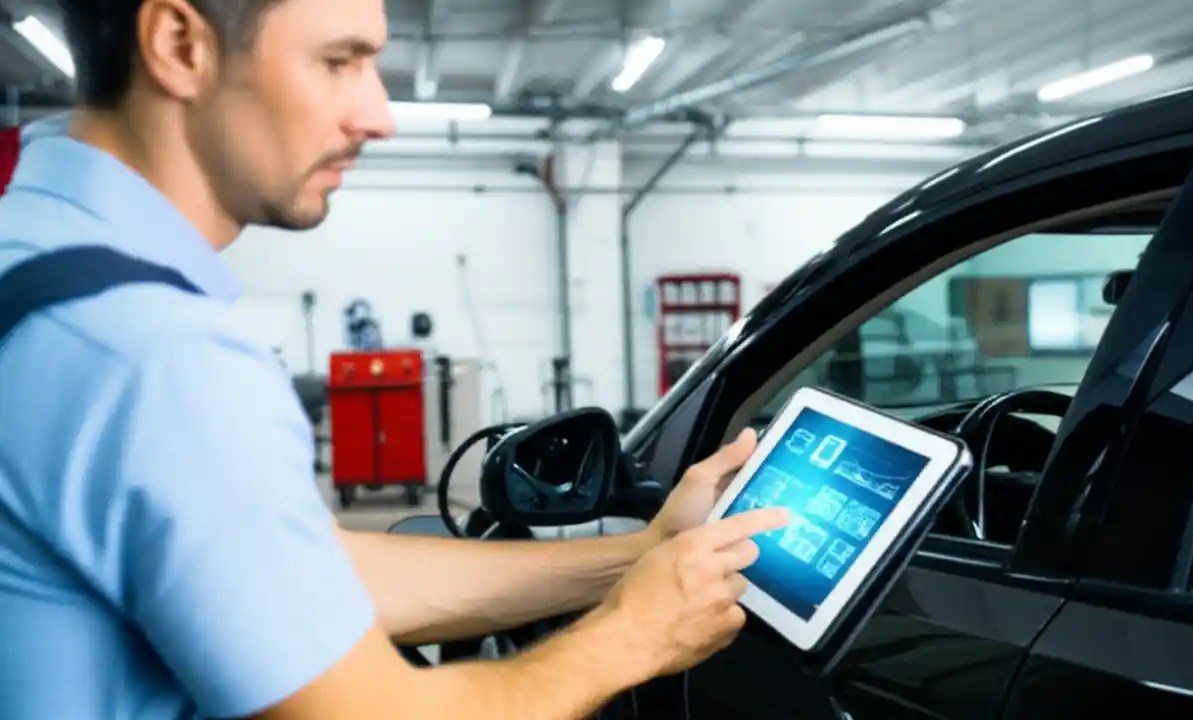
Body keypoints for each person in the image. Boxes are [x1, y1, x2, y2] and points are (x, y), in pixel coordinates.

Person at [0, 1, 790, 718]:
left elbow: (299, 577)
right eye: (337, 62)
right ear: (179, 44)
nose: (378, 115)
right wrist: (632, 637)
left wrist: (640, 556)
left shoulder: (35, 258)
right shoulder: (157, 355)